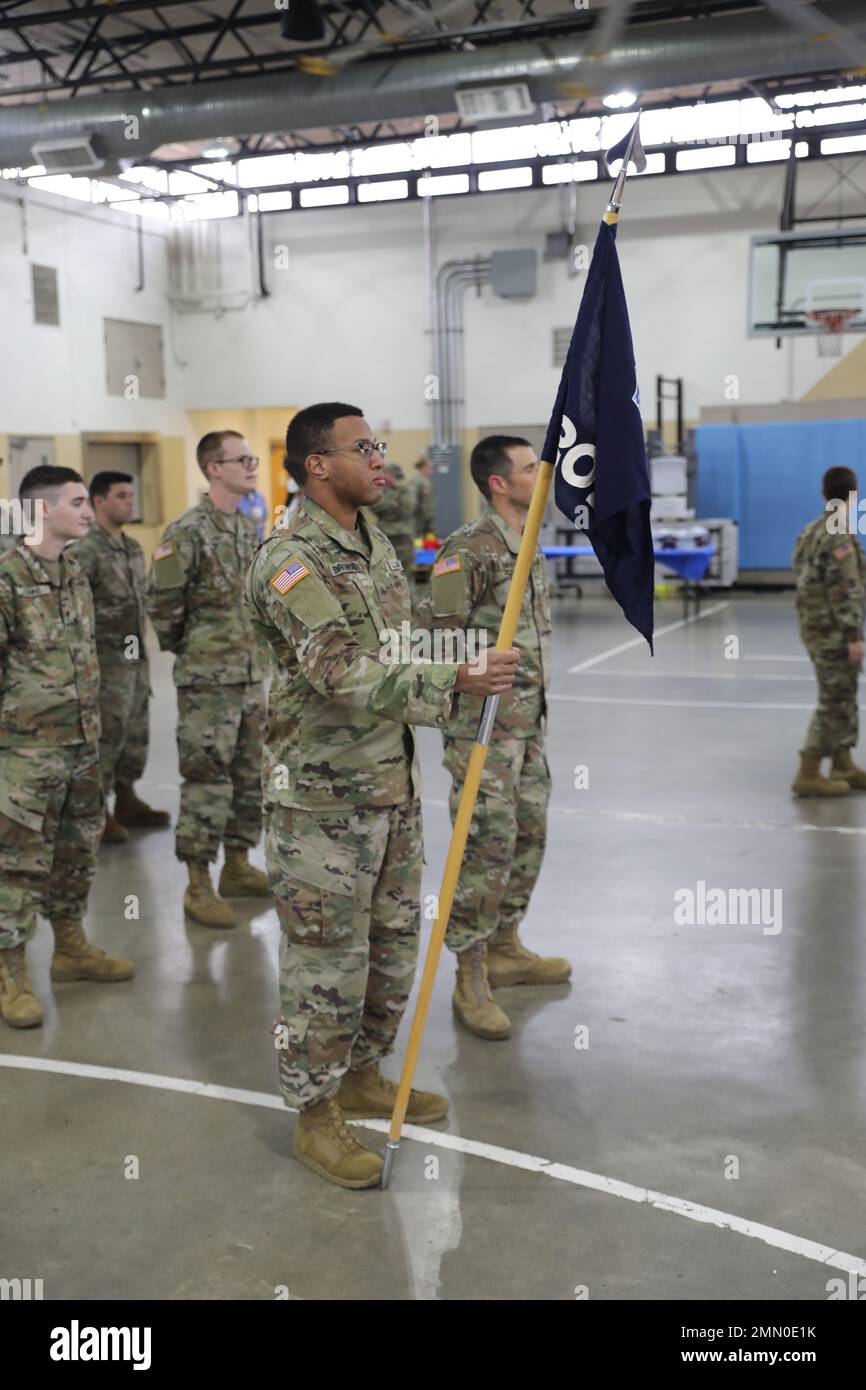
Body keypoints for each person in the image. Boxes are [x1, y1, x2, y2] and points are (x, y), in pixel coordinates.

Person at [244, 402, 518, 1189]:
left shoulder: (376, 545)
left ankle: (362, 1074)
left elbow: (397, 646)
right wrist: (454, 679)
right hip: (321, 803)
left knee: (392, 951)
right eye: (362, 447)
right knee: (325, 963)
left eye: (379, 445)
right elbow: (338, 670)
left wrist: (462, 657)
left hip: (389, 785)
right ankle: (314, 1113)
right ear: (317, 464)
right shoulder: (290, 560)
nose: (379, 458)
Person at [429, 435, 571, 1041]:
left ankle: (507, 945)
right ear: (498, 482)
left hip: (528, 723)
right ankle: (470, 973)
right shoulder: (469, 549)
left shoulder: (527, 541)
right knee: (484, 845)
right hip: (483, 728)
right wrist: (471, 670)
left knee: (529, 833)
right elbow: (438, 641)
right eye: (530, 468)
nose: (542, 475)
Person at [0, 466, 134, 1029]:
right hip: (25, 752)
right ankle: (10, 971)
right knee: (18, 863)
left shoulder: (74, 570)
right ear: (42, 510)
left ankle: (70, 946)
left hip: (83, 744)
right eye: (77, 503)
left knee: (77, 852)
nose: (87, 511)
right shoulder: (7, 576)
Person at [146, 431, 269, 928]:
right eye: (242, 460)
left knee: (250, 775)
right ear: (213, 468)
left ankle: (237, 864)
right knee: (206, 778)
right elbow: (162, 607)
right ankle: (197, 882)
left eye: (252, 458)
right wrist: (196, 650)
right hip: (207, 681)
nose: (252, 466)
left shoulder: (246, 527)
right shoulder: (185, 532)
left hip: (251, 676)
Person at [72, 472, 168, 843]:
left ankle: (127, 798)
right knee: (107, 736)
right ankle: (97, 811)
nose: (131, 502)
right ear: (99, 502)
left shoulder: (131, 546)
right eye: (122, 496)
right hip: (105, 659)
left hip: (133, 654)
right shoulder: (85, 550)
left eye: (131, 495)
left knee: (135, 732)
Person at [791, 465, 866, 797]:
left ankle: (842, 763)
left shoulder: (810, 532)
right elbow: (846, 589)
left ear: (824, 494)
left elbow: (802, 577)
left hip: (813, 628)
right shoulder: (838, 535)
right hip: (834, 632)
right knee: (834, 700)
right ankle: (808, 771)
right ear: (853, 496)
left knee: (843, 695)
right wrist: (853, 637)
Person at [363, 461, 416, 579]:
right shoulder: (382, 489)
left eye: (385, 473)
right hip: (384, 534)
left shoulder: (405, 488)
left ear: (392, 475)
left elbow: (406, 509)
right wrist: (394, 504)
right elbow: (374, 506)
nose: (382, 475)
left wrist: (387, 508)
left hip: (402, 535)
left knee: (406, 571)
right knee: (385, 570)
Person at [411, 453, 436, 540]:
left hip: (425, 518)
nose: (431, 470)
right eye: (429, 467)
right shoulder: (418, 481)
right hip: (419, 519)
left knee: (428, 541)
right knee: (419, 540)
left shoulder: (425, 481)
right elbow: (414, 501)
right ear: (423, 468)